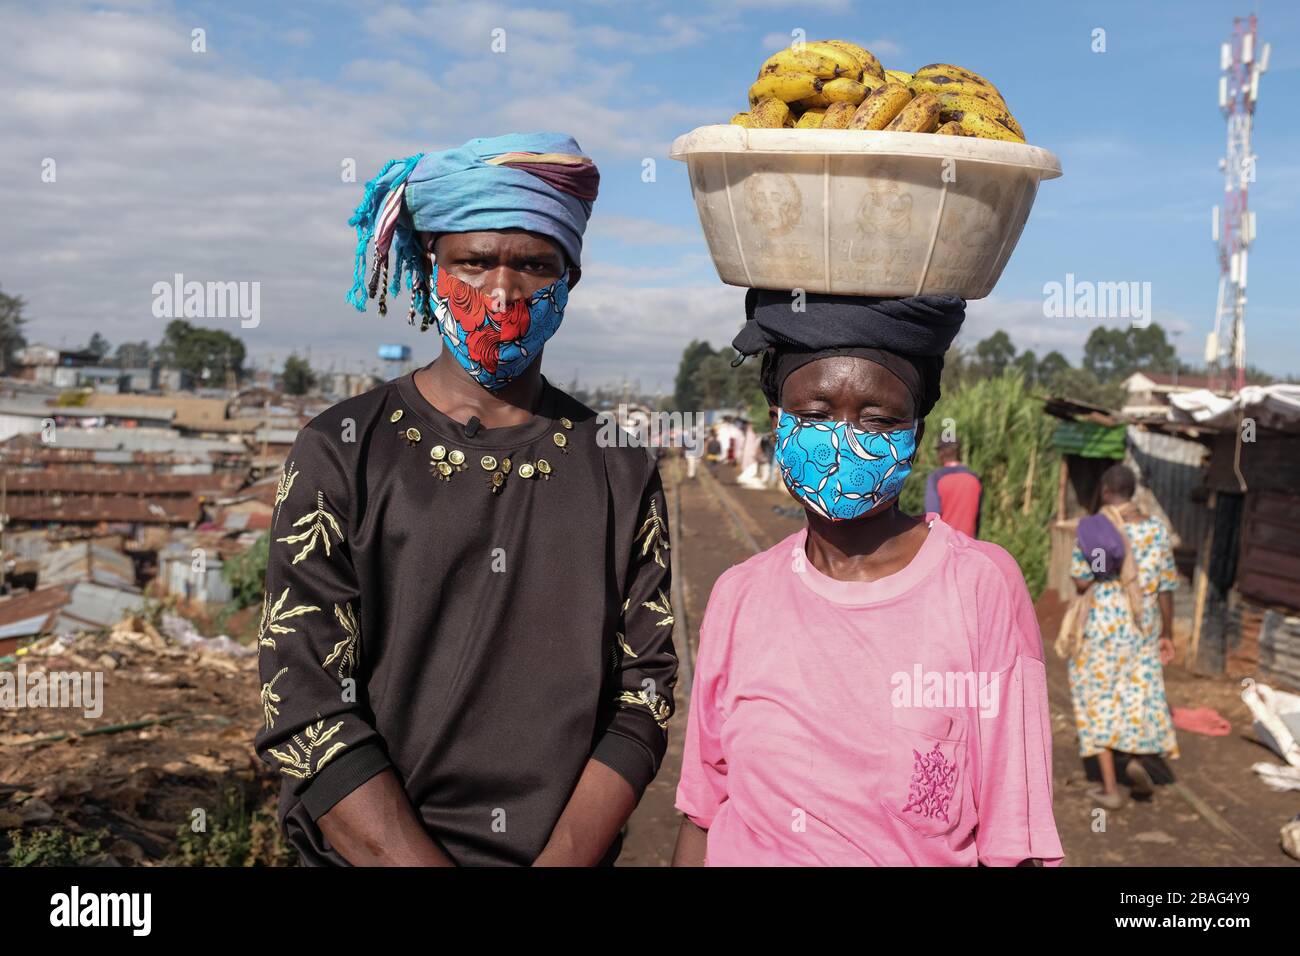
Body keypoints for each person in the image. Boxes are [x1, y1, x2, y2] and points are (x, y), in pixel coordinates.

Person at [254, 133, 678, 866]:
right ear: (429, 269)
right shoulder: (342, 449)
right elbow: (305, 701)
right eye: (475, 262)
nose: (503, 292)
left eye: (534, 266)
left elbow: (645, 692)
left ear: (569, 280)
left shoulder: (619, 464)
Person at [672, 291, 1063, 866]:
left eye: (878, 419)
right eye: (815, 415)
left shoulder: (980, 588)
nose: (843, 439)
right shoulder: (740, 594)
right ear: (778, 426)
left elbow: (1017, 839)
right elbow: (704, 811)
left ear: (916, 437)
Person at [1066, 463, 1178, 810]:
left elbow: (1083, 579)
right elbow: (1167, 587)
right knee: (1136, 693)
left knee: (1097, 697)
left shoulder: (1095, 528)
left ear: (1105, 491)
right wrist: (1167, 633)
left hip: (1103, 622)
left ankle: (1111, 787)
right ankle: (1136, 761)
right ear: (1134, 492)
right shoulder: (1157, 531)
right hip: (1142, 623)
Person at [924, 439, 983, 538]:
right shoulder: (975, 478)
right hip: (970, 543)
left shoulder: (936, 478)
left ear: (941, 454)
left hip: (945, 543)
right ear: (958, 453)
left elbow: (932, 515)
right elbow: (977, 519)